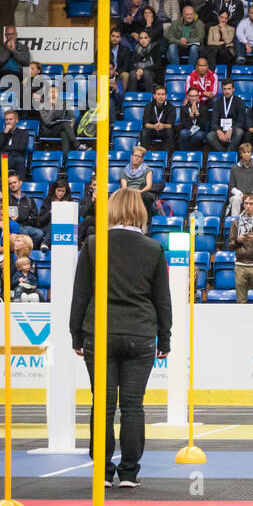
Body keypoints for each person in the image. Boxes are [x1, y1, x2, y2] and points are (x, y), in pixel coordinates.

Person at [68, 187, 173, 488]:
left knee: (101, 403)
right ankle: (129, 472)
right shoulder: (153, 248)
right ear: (139, 212)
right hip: (140, 334)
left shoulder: (92, 244)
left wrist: (76, 334)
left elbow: (81, 295)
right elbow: (162, 300)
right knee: (132, 405)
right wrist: (164, 339)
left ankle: (101, 470)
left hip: (99, 332)